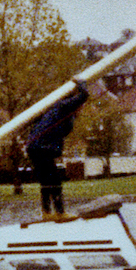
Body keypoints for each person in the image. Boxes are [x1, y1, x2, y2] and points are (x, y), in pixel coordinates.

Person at [25, 79, 89, 219]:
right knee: (54, 180)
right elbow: (84, 95)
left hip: (35, 147)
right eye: (80, 106)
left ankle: (47, 212)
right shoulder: (64, 106)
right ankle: (60, 213)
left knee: (46, 181)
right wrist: (81, 82)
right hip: (41, 147)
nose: (81, 108)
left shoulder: (58, 110)